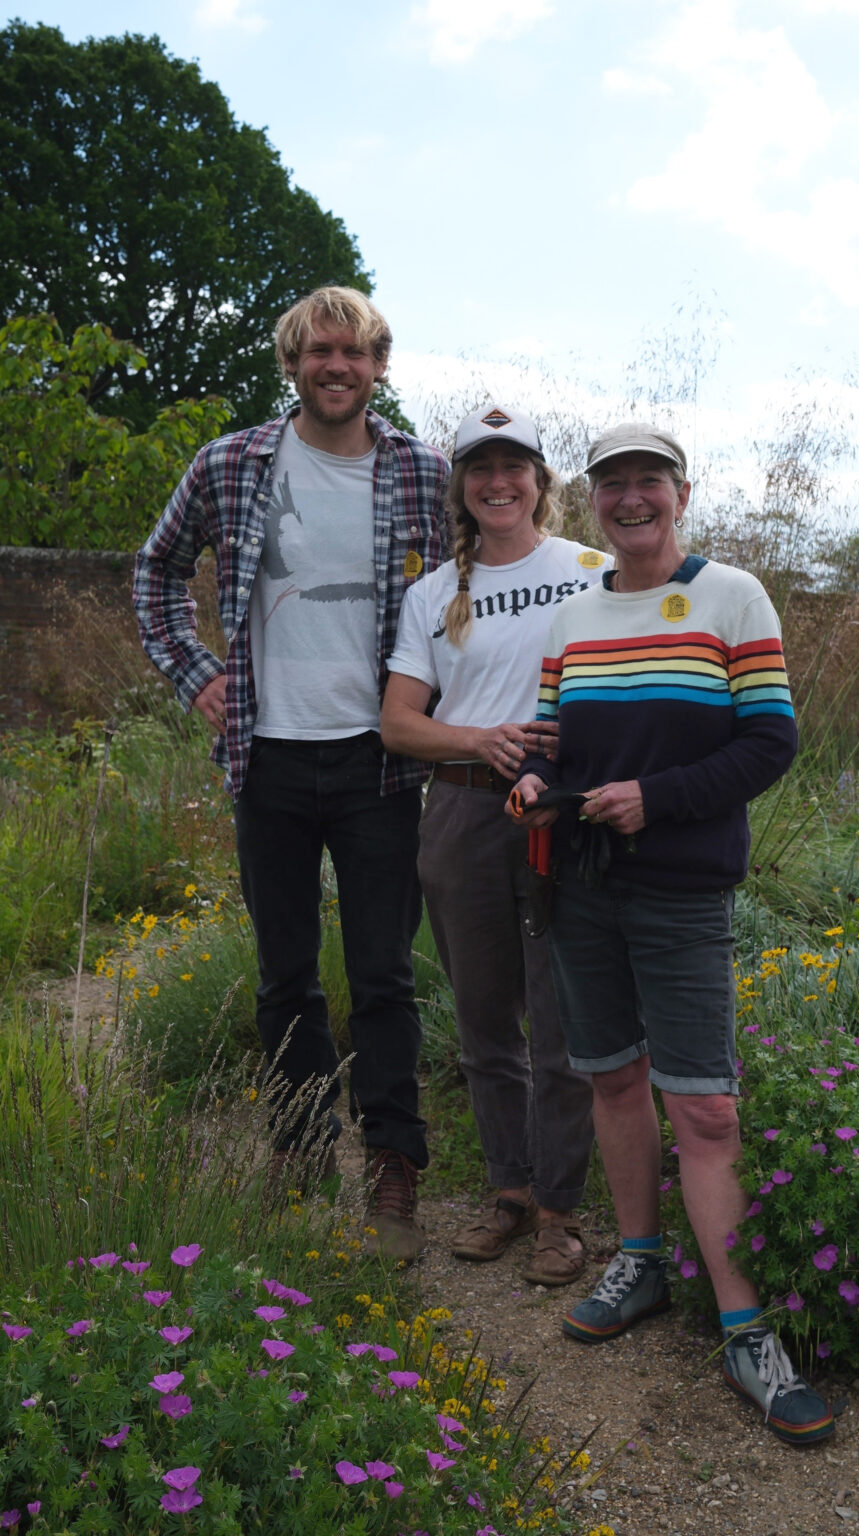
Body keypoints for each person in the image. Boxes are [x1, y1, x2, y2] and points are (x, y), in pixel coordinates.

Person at [510, 423, 834, 1444]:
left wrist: (657, 799)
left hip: (683, 890)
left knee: (705, 1110)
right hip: (583, 887)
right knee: (612, 1079)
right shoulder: (571, 615)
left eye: (649, 480)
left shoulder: (732, 597)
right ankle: (641, 1264)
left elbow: (770, 741)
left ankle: (745, 1328)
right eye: (612, 484)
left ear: (681, 495)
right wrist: (533, 782)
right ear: (594, 502)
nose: (631, 498)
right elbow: (552, 739)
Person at [132, 285, 450, 1261]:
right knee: (285, 974)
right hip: (266, 752)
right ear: (292, 363)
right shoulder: (230, 463)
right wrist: (198, 676)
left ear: (378, 366)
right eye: (318, 352)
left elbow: (474, 588)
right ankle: (301, 1146)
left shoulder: (423, 473)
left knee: (384, 974)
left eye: (353, 353)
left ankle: (392, 1164)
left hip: (381, 762)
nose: (335, 367)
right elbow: (154, 571)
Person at [381, 405, 609, 1284]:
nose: (499, 482)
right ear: (462, 487)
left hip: (561, 816)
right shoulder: (432, 593)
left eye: (516, 467)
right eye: (481, 469)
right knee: (484, 1024)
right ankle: (509, 1193)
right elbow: (398, 723)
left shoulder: (590, 572)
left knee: (561, 1025)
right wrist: (477, 739)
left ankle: (560, 1211)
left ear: (540, 483)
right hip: (463, 815)